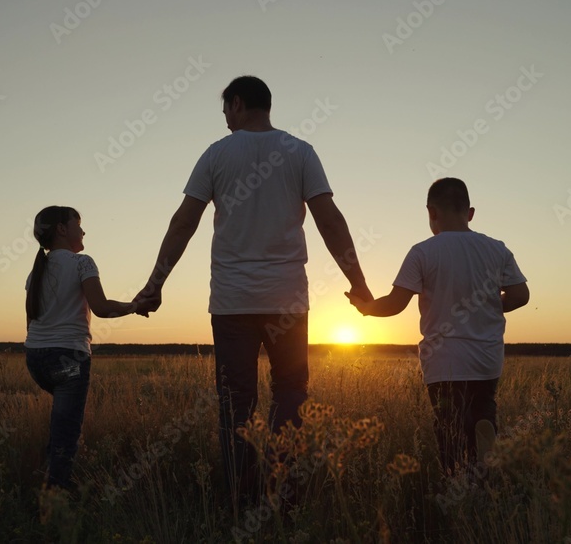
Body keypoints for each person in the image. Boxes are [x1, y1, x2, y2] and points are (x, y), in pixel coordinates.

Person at [133, 76, 373, 503]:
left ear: (238, 103)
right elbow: (330, 221)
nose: (225, 120)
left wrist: (155, 286)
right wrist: (360, 285)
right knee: (291, 392)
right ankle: (284, 494)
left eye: (226, 110)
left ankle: (242, 502)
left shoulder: (216, 154)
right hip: (287, 301)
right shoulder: (301, 151)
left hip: (231, 302)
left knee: (235, 404)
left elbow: (182, 223)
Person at [346, 177, 529, 476]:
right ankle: (485, 456)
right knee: (482, 410)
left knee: (450, 427)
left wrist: (366, 308)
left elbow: (395, 303)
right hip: (487, 358)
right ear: (470, 213)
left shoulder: (423, 252)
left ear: (431, 212)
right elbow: (521, 295)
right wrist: (490, 305)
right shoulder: (497, 249)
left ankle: (458, 480)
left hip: (444, 362)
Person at [25, 205, 140, 490]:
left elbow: (31, 321)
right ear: (63, 229)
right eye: (78, 223)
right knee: (67, 430)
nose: (83, 230)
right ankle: (57, 497)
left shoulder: (36, 272)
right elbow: (101, 308)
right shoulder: (82, 262)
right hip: (69, 357)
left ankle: (47, 477)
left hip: (36, 358)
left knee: (62, 422)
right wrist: (134, 306)